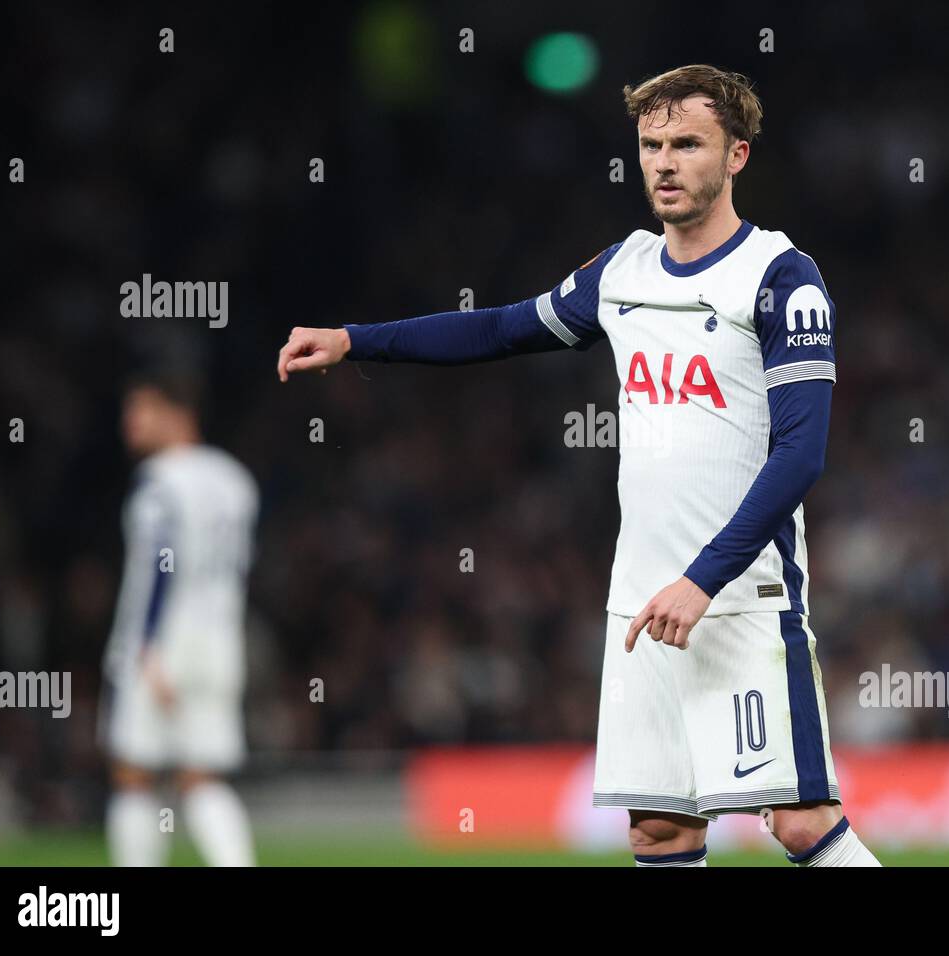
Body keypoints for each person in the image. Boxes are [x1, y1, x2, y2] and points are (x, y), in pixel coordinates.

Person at [277, 64, 880, 867]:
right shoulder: (621, 272)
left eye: (688, 144)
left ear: (737, 155)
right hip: (641, 601)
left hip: (740, 598)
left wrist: (703, 579)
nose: (664, 163)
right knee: (660, 830)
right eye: (650, 145)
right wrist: (357, 340)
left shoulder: (778, 277)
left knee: (801, 821)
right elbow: (500, 328)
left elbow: (801, 455)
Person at [99, 372, 260, 866]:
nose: (131, 421)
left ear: (178, 414)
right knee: (203, 776)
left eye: (143, 408)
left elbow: (158, 565)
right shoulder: (236, 480)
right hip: (221, 640)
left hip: (162, 641)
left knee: (132, 773)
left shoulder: (160, 482)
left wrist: (147, 646)